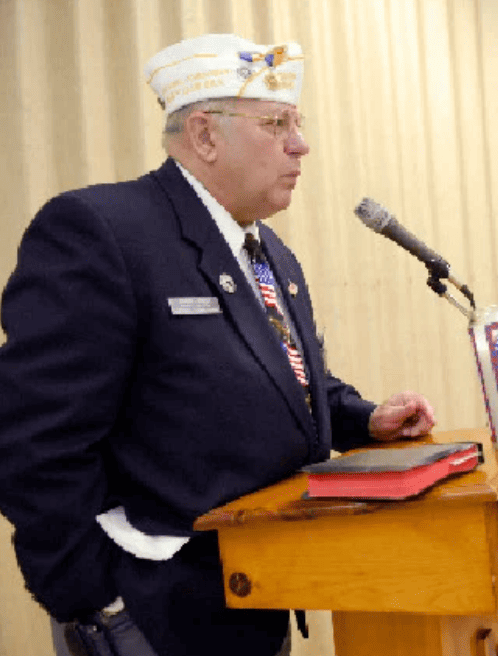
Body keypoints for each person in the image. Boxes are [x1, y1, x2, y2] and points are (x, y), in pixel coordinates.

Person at [0, 34, 435, 656]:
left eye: (298, 123)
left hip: (254, 592)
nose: (299, 143)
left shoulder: (269, 253)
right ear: (205, 135)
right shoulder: (103, 232)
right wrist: (94, 601)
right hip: (154, 608)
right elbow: (31, 438)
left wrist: (365, 419)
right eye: (277, 123)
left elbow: (284, 380)